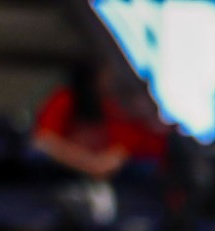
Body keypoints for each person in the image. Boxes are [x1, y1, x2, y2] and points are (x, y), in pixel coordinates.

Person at [31, 62, 166, 182]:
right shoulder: (67, 98)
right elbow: (43, 141)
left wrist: (95, 164)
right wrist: (90, 162)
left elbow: (108, 164)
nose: (111, 79)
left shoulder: (119, 112)